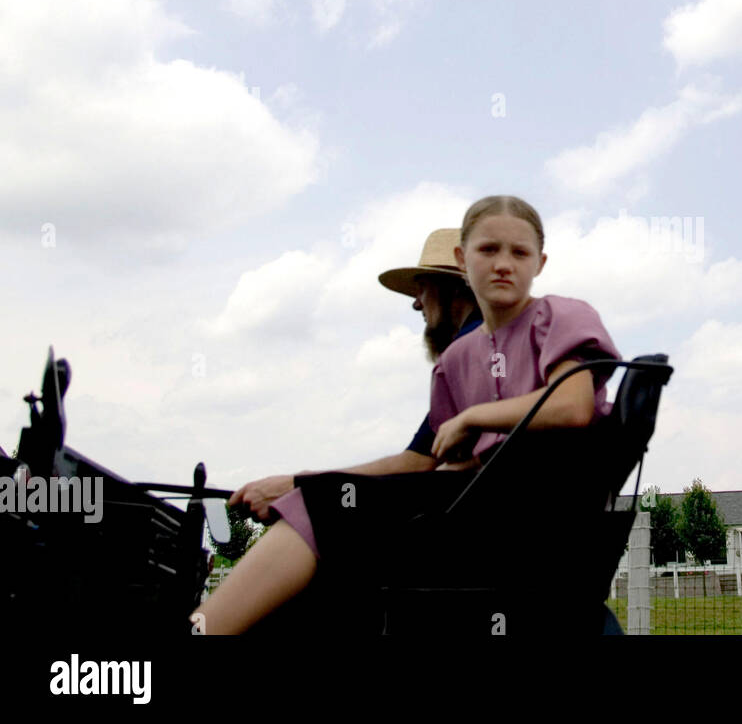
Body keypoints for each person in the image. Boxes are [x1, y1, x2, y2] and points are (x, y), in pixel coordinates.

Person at [192, 195, 620, 634]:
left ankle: (205, 627)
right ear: (463, 260)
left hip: (541, 519)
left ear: (539, 262)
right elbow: (442, 462)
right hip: (477, 513)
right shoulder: (457, 360)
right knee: (334, 529)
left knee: (320, 507)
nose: (503, 263)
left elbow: (571, 406)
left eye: (519, 252)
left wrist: (472, 418)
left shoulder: (560, 316)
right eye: (488, 250)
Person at [226, 227, 483, 525]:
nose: (415, 303)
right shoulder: (487, 345)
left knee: (319, 514)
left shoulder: (470, 348)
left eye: (421, 288)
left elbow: (416, 464)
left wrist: (297, 485)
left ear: (450, 287)